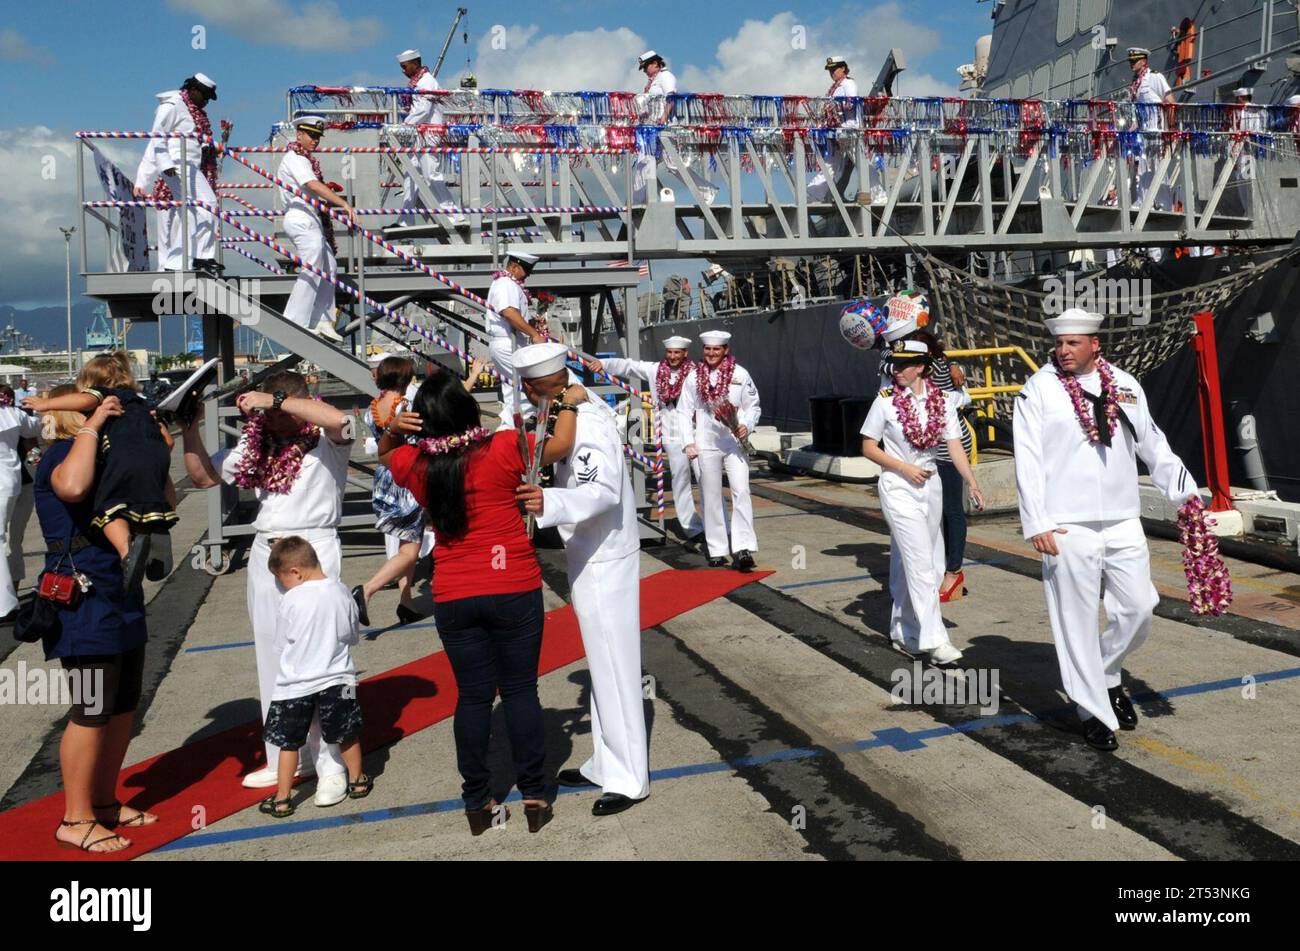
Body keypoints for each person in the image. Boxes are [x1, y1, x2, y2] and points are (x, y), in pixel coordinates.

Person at [382, 366, 582, 833]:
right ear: (470, 411)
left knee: (472, 698)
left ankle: (477, 801)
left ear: (423, 423)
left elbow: (386, 455)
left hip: (454, 592)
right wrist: (569, 401)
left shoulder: (415, 464)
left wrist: (393, 427)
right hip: (512, 583)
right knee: (520, 690)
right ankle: (534, 793)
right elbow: (561, 445)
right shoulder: (506, 448)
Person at [1012, 308, 1199, 752]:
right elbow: (1028, 459)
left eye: (1072, 344)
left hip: (1121, 519)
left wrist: (1185, 495)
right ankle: (1093, 710)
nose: (1063, 351)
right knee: (1075, 620)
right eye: (1059, 344)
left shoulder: (1126, 385)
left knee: (1139, 607)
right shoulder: (1039, 390)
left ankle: (1107, 673)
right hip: (1065, 524)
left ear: (1095, 345)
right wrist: (1037, 521)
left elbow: (1153, 442)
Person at [180, 370, 355, 803]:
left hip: (312, 548)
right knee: (273, 657)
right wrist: (189, 429)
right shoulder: (256, 442)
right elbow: (204, 477)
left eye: (276, 409)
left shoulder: (325, 438)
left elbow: (336, 419)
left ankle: (331, 762)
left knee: (321, 659)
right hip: (269, 552)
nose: (269, 418)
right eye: (265, 413)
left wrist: (274, 398)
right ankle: (284, 755)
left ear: (294, 399)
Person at [513, 342, 651, 816]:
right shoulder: (574, 407)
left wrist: (546, 503)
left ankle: (630, 777)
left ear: (535, 386)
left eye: (527, 389)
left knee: (615, 665)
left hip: (605, 557)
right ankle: (606, 761)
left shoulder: (586, 421)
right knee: (601, 664)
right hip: (590, 552)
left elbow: (603, 491)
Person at [35, 386, 157, 852]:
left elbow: (158, 497)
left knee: (124, 703)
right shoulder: (62, 456)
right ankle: (75, 816)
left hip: (118, 589)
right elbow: (74, 488)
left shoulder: (105, 454)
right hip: (80, 596)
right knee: (91, 709)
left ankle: (104, 801)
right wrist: (92, 425)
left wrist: (153, 446)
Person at [861, 333, 985, 665]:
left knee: (914, 559)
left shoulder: (943, 401)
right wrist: (902, 467)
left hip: (931, 485)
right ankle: (935, 638)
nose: (896, 370)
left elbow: (954, 445)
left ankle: (902, 630)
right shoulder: (885, 400)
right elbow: (868, 447)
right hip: (897, 485)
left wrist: (971, 481)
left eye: (903, 365)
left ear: (921, 368)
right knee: (922, 563)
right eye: (895, 364)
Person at [24, 353, 178, 593]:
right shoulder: (141, 405)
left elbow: (73, 489)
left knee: (110, 508)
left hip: (87, 572)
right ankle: (154, 529)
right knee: (147, 502)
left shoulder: (66, 451)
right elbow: (167, 455)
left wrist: (44, 404)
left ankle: (128, 552)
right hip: (153, 456)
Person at [258, 536, 372, 819]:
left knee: (289, 741)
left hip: (295, 684)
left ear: (295, 572)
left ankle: (283, 798)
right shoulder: (341, 591)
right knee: (346, 732)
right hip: (338, 678)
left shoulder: (291, 599)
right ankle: (357, 780)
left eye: (281, 578)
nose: (281, 585)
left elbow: (282, 643)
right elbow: (350, 634)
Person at [585, 335, 704, 544]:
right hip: (672, 435)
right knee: (680, 480)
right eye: (670, 352)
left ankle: (716, 526)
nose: (673, 356)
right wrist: (603, 364)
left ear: (685, 353)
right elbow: (629, 367)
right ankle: (692, 528)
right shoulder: (656, 370)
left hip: (698, 433)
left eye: (677, 353)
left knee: (706, 479)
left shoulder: (697, 373)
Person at [354, 355, 432, 627]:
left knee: (404, 543)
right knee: (410, 551)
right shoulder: (407, 407)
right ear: (406, 378)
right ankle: (367, 590)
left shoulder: (372, 407)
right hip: (406, 477)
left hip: (385, 478)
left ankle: (406, 601)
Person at [680, 330, 760, 569]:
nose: (711, 353)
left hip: (734, 443)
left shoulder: (740, 374)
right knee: (711, 495)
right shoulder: (694, 377)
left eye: (716, 349)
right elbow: (683, 412)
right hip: (706, 443)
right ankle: (716, 548)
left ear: (726, 350)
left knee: (741, 491)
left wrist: (747, 425)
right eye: (708, 349)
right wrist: (688, 442)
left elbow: (753, 405)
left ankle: (743, 546)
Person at [133, 74, 222, 275]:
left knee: (198, 209)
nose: (207, 101)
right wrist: (159, 168)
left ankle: (191, 258)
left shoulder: (195, 113)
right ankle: (190, 258)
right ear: (194, 90)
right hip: (177, 165)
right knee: (200, 207)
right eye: (205, 96)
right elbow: (156, 138)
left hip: (191, 166)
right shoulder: (172, 106)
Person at [277, 115, 355, 343]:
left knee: (329, 267)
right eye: (311, 135)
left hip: (312, 219)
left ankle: (321, 319)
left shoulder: (306, 159)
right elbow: (311, 184)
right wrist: (342, 203)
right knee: (313, 267)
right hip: (300, 218)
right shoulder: (296, 158)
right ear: (299, 134)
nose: (315, 140)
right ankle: (294, 320)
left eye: (317, 136)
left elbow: (313, 186)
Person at [633, 50, 718, 205]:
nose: (645, 71)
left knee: (672, 164)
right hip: (651, 129)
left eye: (646, 67)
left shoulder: (666, 77)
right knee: (644, 161)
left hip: (663, 128)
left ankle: (706, 190)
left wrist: (664, 116)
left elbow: (671, 96)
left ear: (655, 64)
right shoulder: (653, 81)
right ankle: (639, 200)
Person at [395, 49, 465, 227]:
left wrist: (403, 127)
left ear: (414, 64)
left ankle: (453, 215)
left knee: (430, 173)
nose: (403, 70)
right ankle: (405, 219)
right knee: (411, 174)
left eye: (404, 66)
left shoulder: (427, 81)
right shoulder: (418, 82)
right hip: (420, 133)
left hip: (429, 132)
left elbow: (423, 110)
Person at [485, 250, 546, 426]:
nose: (526, 276)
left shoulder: (506, 283)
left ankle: (507, 436)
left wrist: (533, 325)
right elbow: (509, 312)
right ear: (513, 267)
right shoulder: (506, 283)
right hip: (507, 342)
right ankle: (512, 435)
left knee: (515, 396)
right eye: (525, 271)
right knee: (525, 392)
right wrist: (534, 334)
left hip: (510, 341)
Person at [0, 385, 40, 622]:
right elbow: (41, 427)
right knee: (12, 541)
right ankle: (8, 600)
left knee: (5, 541)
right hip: (15, 481)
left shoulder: (10, 412)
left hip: (8, 483)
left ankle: (6, 604)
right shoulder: (12, 413)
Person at [808, 55, 862, 204]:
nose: (832, 72)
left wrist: (834, 107)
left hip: (848, 130)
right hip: (837, 131)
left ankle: (876, 194)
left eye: (834, 69)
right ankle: (813, 194)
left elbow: (852, 102)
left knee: (860, 162)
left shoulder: (848, 84)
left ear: (843, 68)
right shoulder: (835, 87)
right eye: (830, 70)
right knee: (830, 163)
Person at [1127, 48, 1174, 216]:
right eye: (1130, 61)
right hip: (1144, 133)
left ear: (1144, 60)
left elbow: (1170, 102)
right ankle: (1143, 201)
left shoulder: (1155, 77)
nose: (1132, 63)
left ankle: (1164, 204)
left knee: (1158, 168)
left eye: (1135, 60)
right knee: (1144, 168)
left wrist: (1170, 131)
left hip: (1158, 131)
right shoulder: (1136, 84)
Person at [1231, 87, 1262, 217]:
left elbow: (1256, 130)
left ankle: (1251, 210)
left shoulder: (1253, 111)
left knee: (1246, 181)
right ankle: (1247, 209)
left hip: (1248, 150)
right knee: (1240, 180)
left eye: (1238, 98)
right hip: (1239, 150)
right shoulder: (1238, 112)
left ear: (1241, 98)